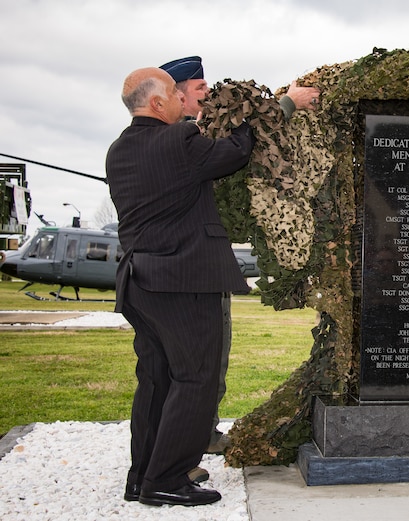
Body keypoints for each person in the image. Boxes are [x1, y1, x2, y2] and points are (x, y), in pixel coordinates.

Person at [157, 56, 320, 482]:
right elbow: (236, 144)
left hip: (183, 268)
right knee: (197, 365)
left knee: (196, 362)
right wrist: (287, 102)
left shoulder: (164, 137)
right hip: (190, 270)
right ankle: (180, 454)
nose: (208, 94)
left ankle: (192, 436)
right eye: (199, 89)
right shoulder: (182, 136)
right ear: (175, 95)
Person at [106, 66, 257, 507]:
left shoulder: (118, 149)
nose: (181, 100)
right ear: (157, 103)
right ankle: (168, 478)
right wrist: (256, 115)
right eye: (174, 93)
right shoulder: (178, 140)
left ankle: (142, 476)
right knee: (195, 379)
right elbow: (235, 152)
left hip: (139, 282)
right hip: (183, 280)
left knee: (155, 380)